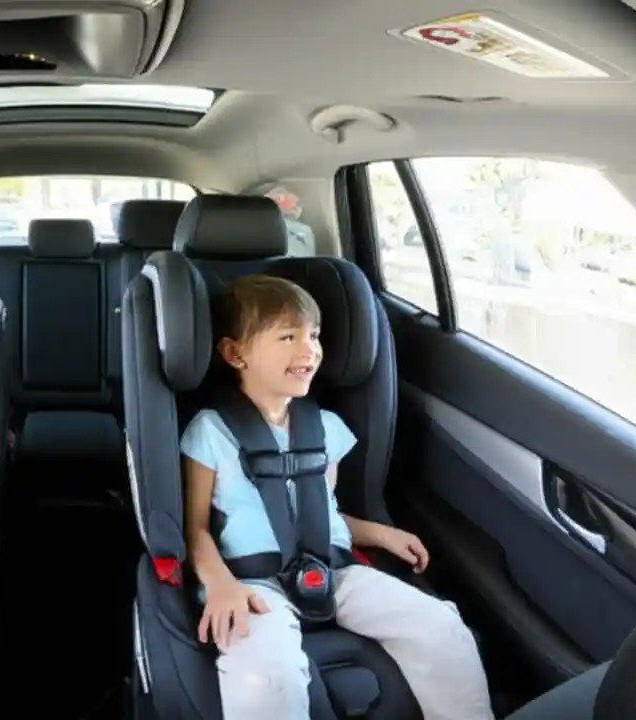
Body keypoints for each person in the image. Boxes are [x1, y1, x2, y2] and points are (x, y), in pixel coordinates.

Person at [180, 275, 494, 720]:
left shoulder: (326, 428)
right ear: (235, 354)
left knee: (442, 627)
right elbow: (194, 528)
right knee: (265, 674)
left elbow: (320, 512)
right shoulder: (211, 431)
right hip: (251, 582)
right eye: (288, 337)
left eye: (314, 335)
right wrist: (219, 584)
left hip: (332, 570)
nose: (309, 350)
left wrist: (381, 534)